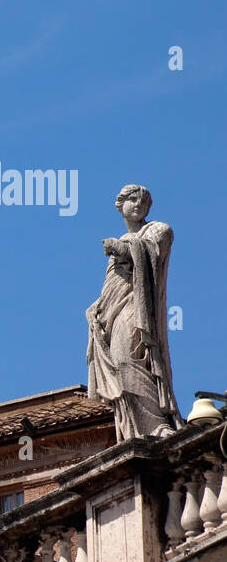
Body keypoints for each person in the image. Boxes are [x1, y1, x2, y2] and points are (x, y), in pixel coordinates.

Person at [85, 184, 183, 440]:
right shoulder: (123, 240)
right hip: (113, 313)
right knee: (120, 365)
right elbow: (114, 285)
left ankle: (156, 425)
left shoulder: (159, 230)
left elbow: (151, 251)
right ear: (120, 206)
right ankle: (134, 432)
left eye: (144, 202)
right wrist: (97, 307)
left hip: (136, 310)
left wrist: (123, 248)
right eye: (132, 199)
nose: (138, 205)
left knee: (131, 361)